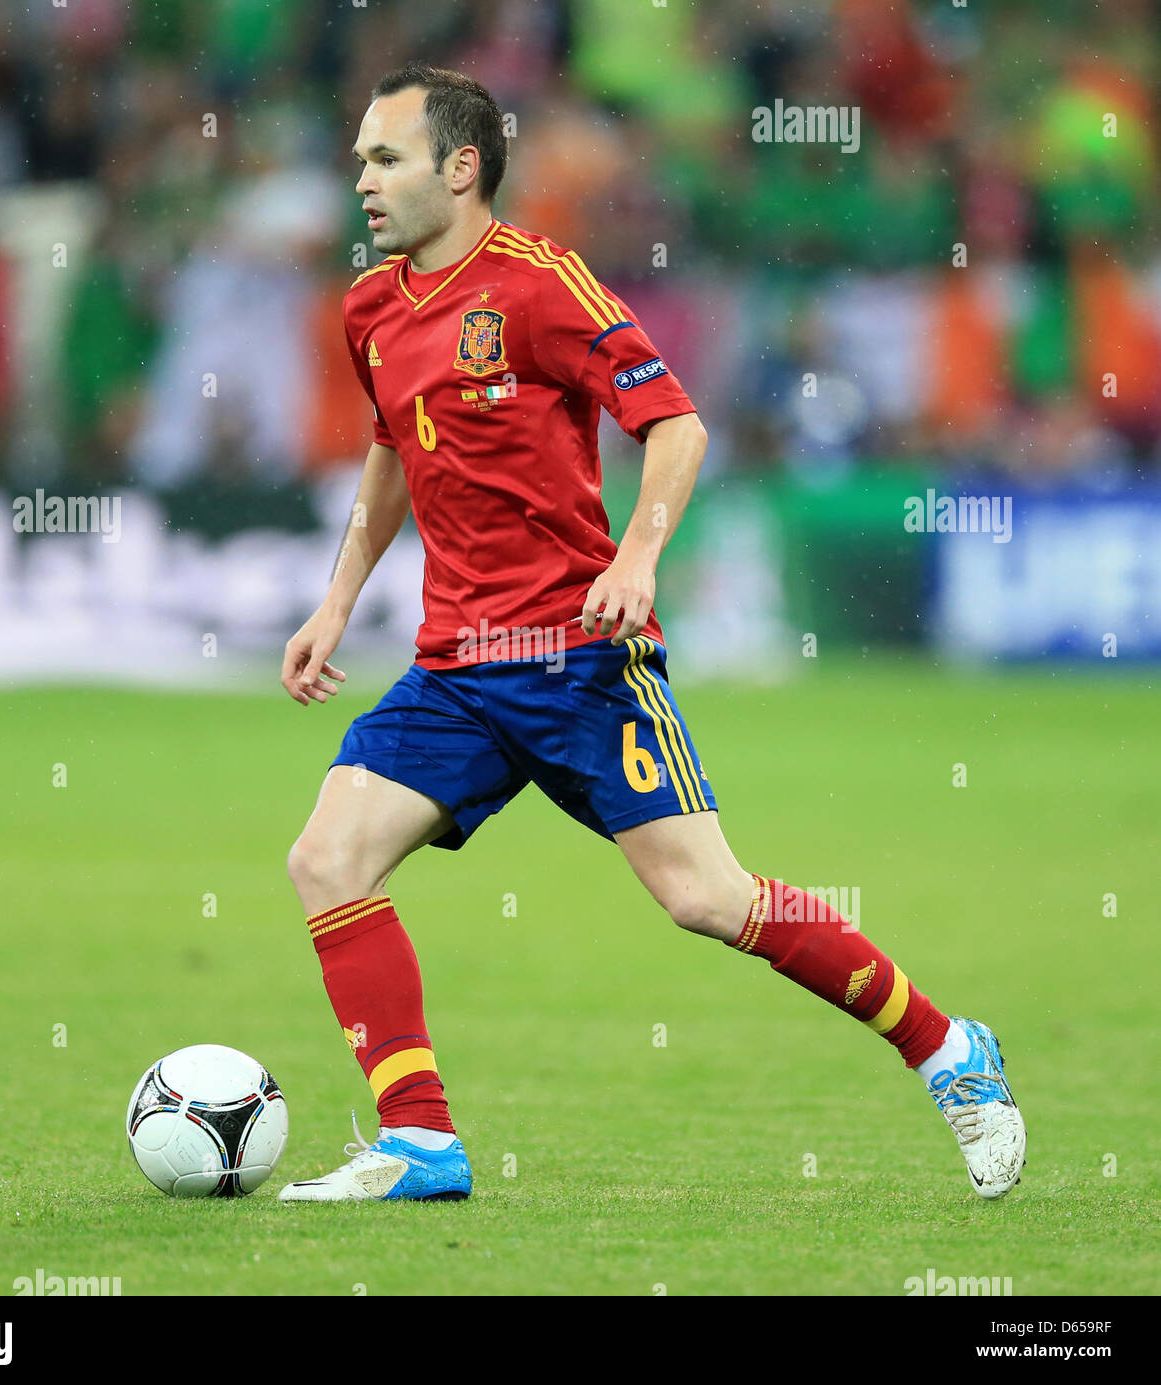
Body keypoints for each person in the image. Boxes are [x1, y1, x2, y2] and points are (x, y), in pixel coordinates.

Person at [277, 63, 1025, 1204]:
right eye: (360, 159)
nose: (362, 181)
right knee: (325, 856)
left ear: (461, 166)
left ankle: (944, 1047)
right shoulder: (370, 306)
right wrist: (336, 603)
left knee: (705, 900)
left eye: (386, 158)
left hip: (578, 658)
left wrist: (636, 555)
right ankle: (421, 1140)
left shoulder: (540, 286)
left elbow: (673, 422)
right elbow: (394, 451)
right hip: (455, 669)